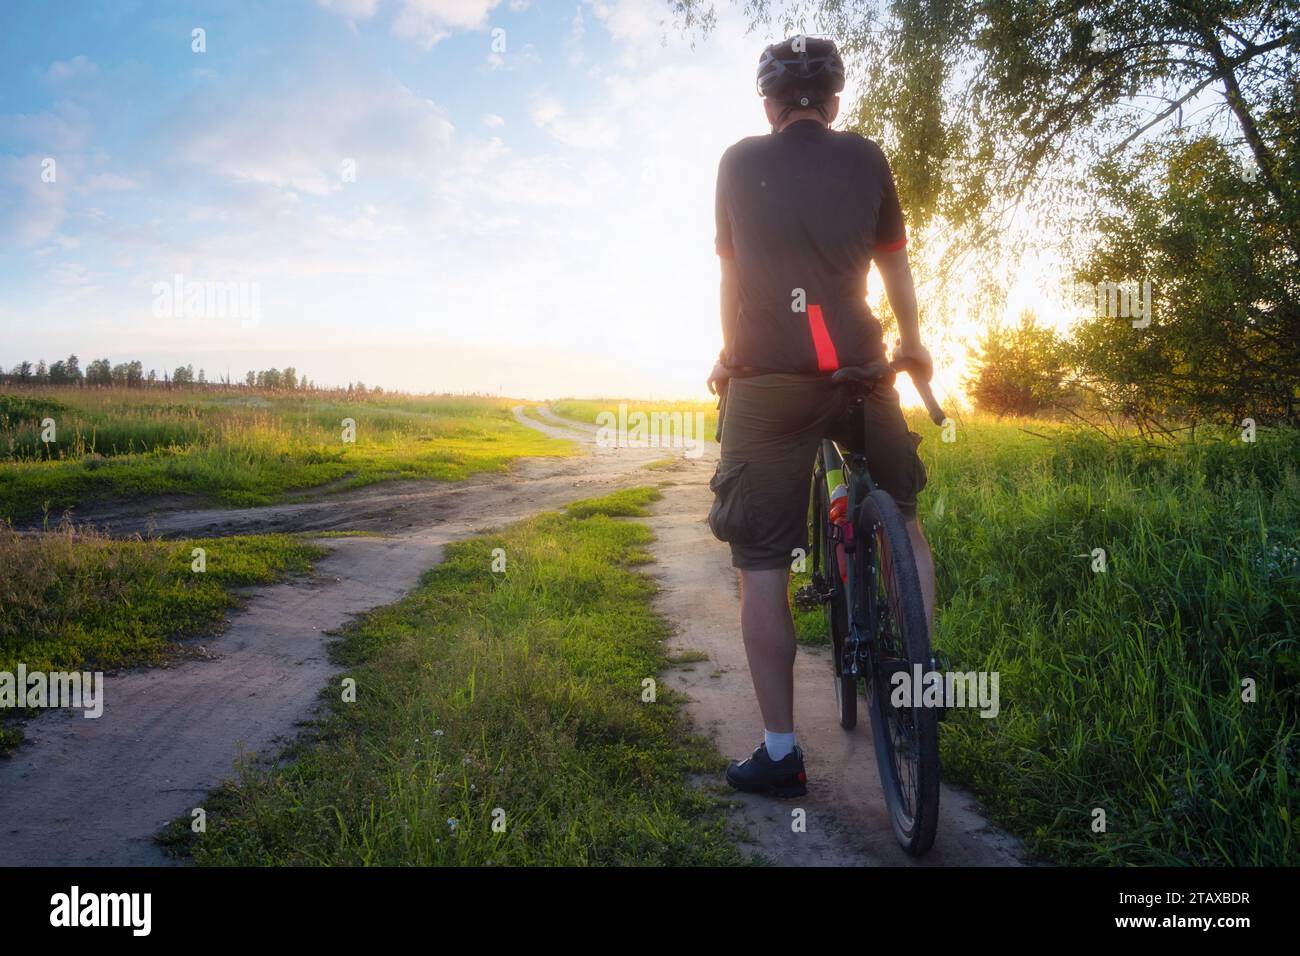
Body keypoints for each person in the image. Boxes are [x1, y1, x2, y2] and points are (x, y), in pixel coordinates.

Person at [707, 35, 936, 798]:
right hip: (862, 373)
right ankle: (916, 697)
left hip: (769, 381)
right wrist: (913, 348)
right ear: (834, 101)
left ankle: (781, 753)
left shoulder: (738, 163)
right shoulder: (867, 158)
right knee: (902, 519)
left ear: (769, 104)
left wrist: (727, 355)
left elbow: (733, 281)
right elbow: (896, 267)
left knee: (762, 565)